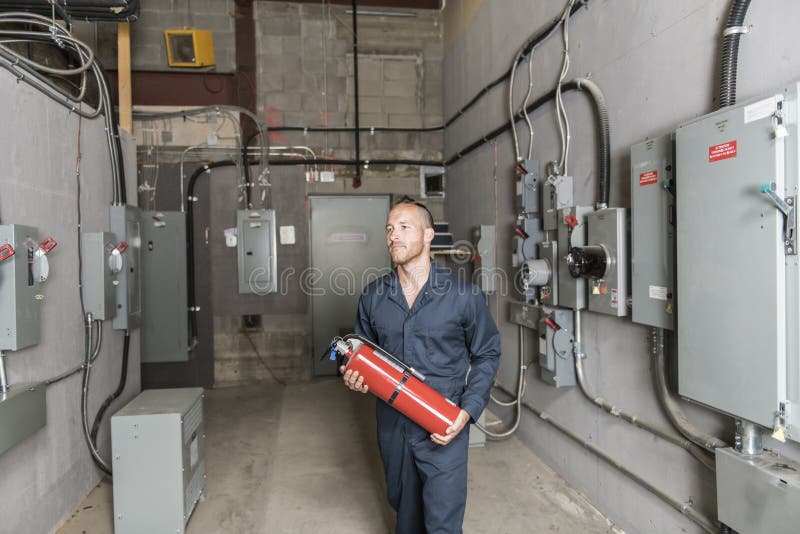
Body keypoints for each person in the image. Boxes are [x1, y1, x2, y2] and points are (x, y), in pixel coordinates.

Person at [340, 197, 500, 534]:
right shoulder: (373, 297)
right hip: (393, 428)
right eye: (389, 229)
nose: (393, 236)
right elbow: (361, 356)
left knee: (441, 524)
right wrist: (354, 377)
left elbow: (487, 354)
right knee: (406, 517)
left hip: (442, 425)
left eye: (403, 227)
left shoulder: (463, 297)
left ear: (428, 235)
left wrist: (467, 411)